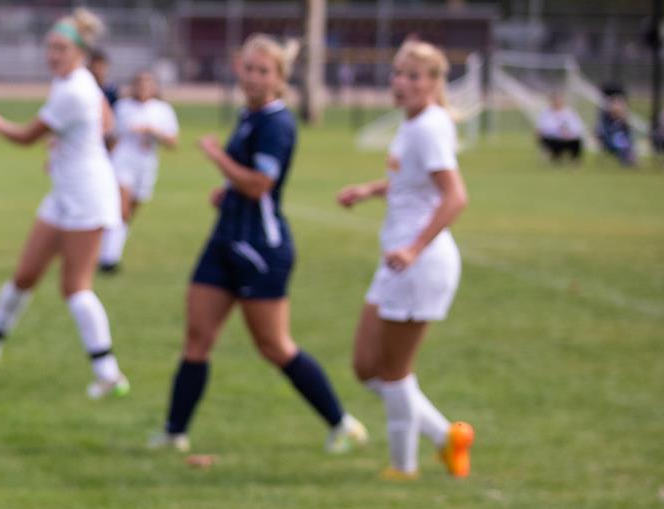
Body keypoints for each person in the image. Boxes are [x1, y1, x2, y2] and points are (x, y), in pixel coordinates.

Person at [151, 34, 366, 454]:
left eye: (263, 71)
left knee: (274, 346)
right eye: (248, 68)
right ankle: (174, 432)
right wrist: (225, 192)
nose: (253, 77)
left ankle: (342, 423)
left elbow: (259, 184)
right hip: (224, 240)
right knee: (197, 338)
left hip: (261, 251)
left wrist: (218, 158)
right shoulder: (248, 115)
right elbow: (244, 185)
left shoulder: (277, 123)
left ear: (280, 78)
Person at [0, 9, 130, 400]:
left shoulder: (74, 89)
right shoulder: (75, 81)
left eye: (62, 48)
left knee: (75, 288)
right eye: (50, 46)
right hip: (64, 194)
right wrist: (67, 146)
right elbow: (104, 123)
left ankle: (108, 373)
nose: (53, 54)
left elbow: (24, 137)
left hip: (86, 197)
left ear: (80, 51)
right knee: (24, 275)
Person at [337, 40, 474, 480]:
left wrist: (414, 248)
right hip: (396, 261)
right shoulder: (414, 123)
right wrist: (369, 190)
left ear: (435, 83)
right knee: (365, 366)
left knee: (394, 373)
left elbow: (455, 197)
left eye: (415, 76)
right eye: (399, 73)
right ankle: (446, 437)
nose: (402, 83)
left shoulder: (429, 127)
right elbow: (412, 180)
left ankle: (404, 467)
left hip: (418, 264)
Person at [99, 69, 179, 273]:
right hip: (123, 161)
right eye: (139, 83)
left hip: (146, 165)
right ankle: (109, 260)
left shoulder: (162, 110)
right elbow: (110, 135)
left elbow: (173, 141)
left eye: (147, 83)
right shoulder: (123, 107)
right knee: (122, 208)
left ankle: (106, 248)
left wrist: (153, 132)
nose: (143, 88)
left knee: (130, 212)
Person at [534, 91, 585, 164]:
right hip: (553, 138)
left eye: (559, 100)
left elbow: (577, 126)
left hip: (568, 138)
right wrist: (559, 131)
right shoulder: (546, 113)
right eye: (556, 100)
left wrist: (569, 132)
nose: (557, 102)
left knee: (577, 140)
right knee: (549, 140)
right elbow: (543, 127)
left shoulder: (569, 112)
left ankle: (574, 160)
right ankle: (554, 155)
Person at [596, 91, 637, 166]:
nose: (617, 107)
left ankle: (630, 160)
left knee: (627, 144)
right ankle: (627, 161)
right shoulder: (606, 119)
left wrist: (623, 121)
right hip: (610, 141)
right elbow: (604, 132)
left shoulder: (623, 120)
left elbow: (627, 133)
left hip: (623, 141)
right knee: (622, 145)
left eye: (619, 105)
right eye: (616, 105)